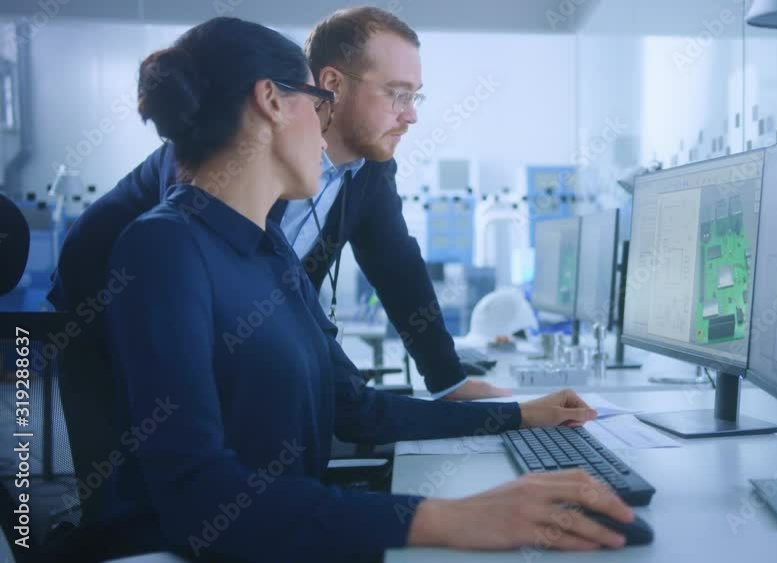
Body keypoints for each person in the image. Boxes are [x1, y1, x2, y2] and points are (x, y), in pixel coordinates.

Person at [98, 17, 635, 562]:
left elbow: (360, 409)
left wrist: (520, 415)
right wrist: (445, 519)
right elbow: (197, 497)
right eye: (316, 103)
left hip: (279, 534)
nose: (324, 127)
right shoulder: (165, 246)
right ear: (272, 102)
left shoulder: (273, 253)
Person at [48, 6, 508, 401]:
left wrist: (448, 380)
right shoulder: (229, 147)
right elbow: (197, 260)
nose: (411, 115)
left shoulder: (368, 169)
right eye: (397, 93)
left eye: (415, 96)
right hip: (102, 307)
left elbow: (397, 268)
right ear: (332, 83)